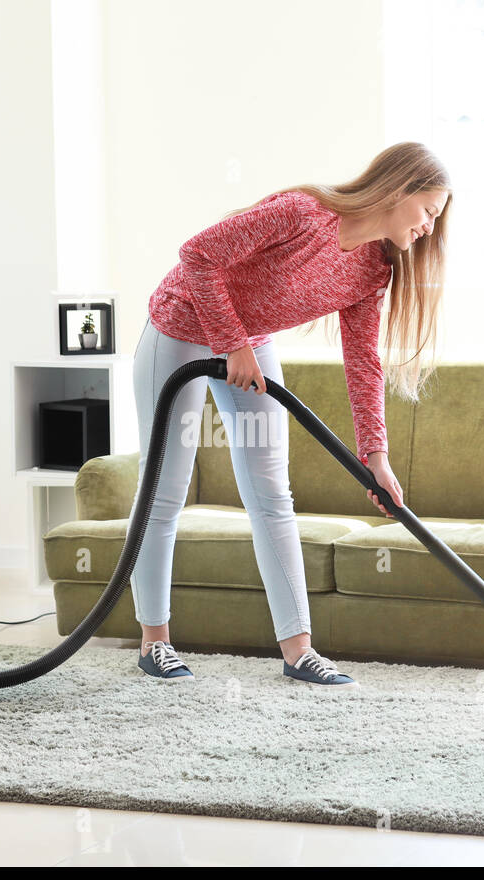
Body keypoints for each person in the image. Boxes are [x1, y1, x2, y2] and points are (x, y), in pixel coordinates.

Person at [129, 141, 450, 688]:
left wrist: (377, 458)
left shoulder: (370, 270)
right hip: (179, 331)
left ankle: (298, 650)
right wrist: (231, 343)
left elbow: (363, 366)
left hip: (248, 344)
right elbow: (197, 254)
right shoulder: (302, 214)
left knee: (271, 493)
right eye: (428, 212)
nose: (428, 228)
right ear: (399, 190)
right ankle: (154, 643)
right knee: (164, 491)